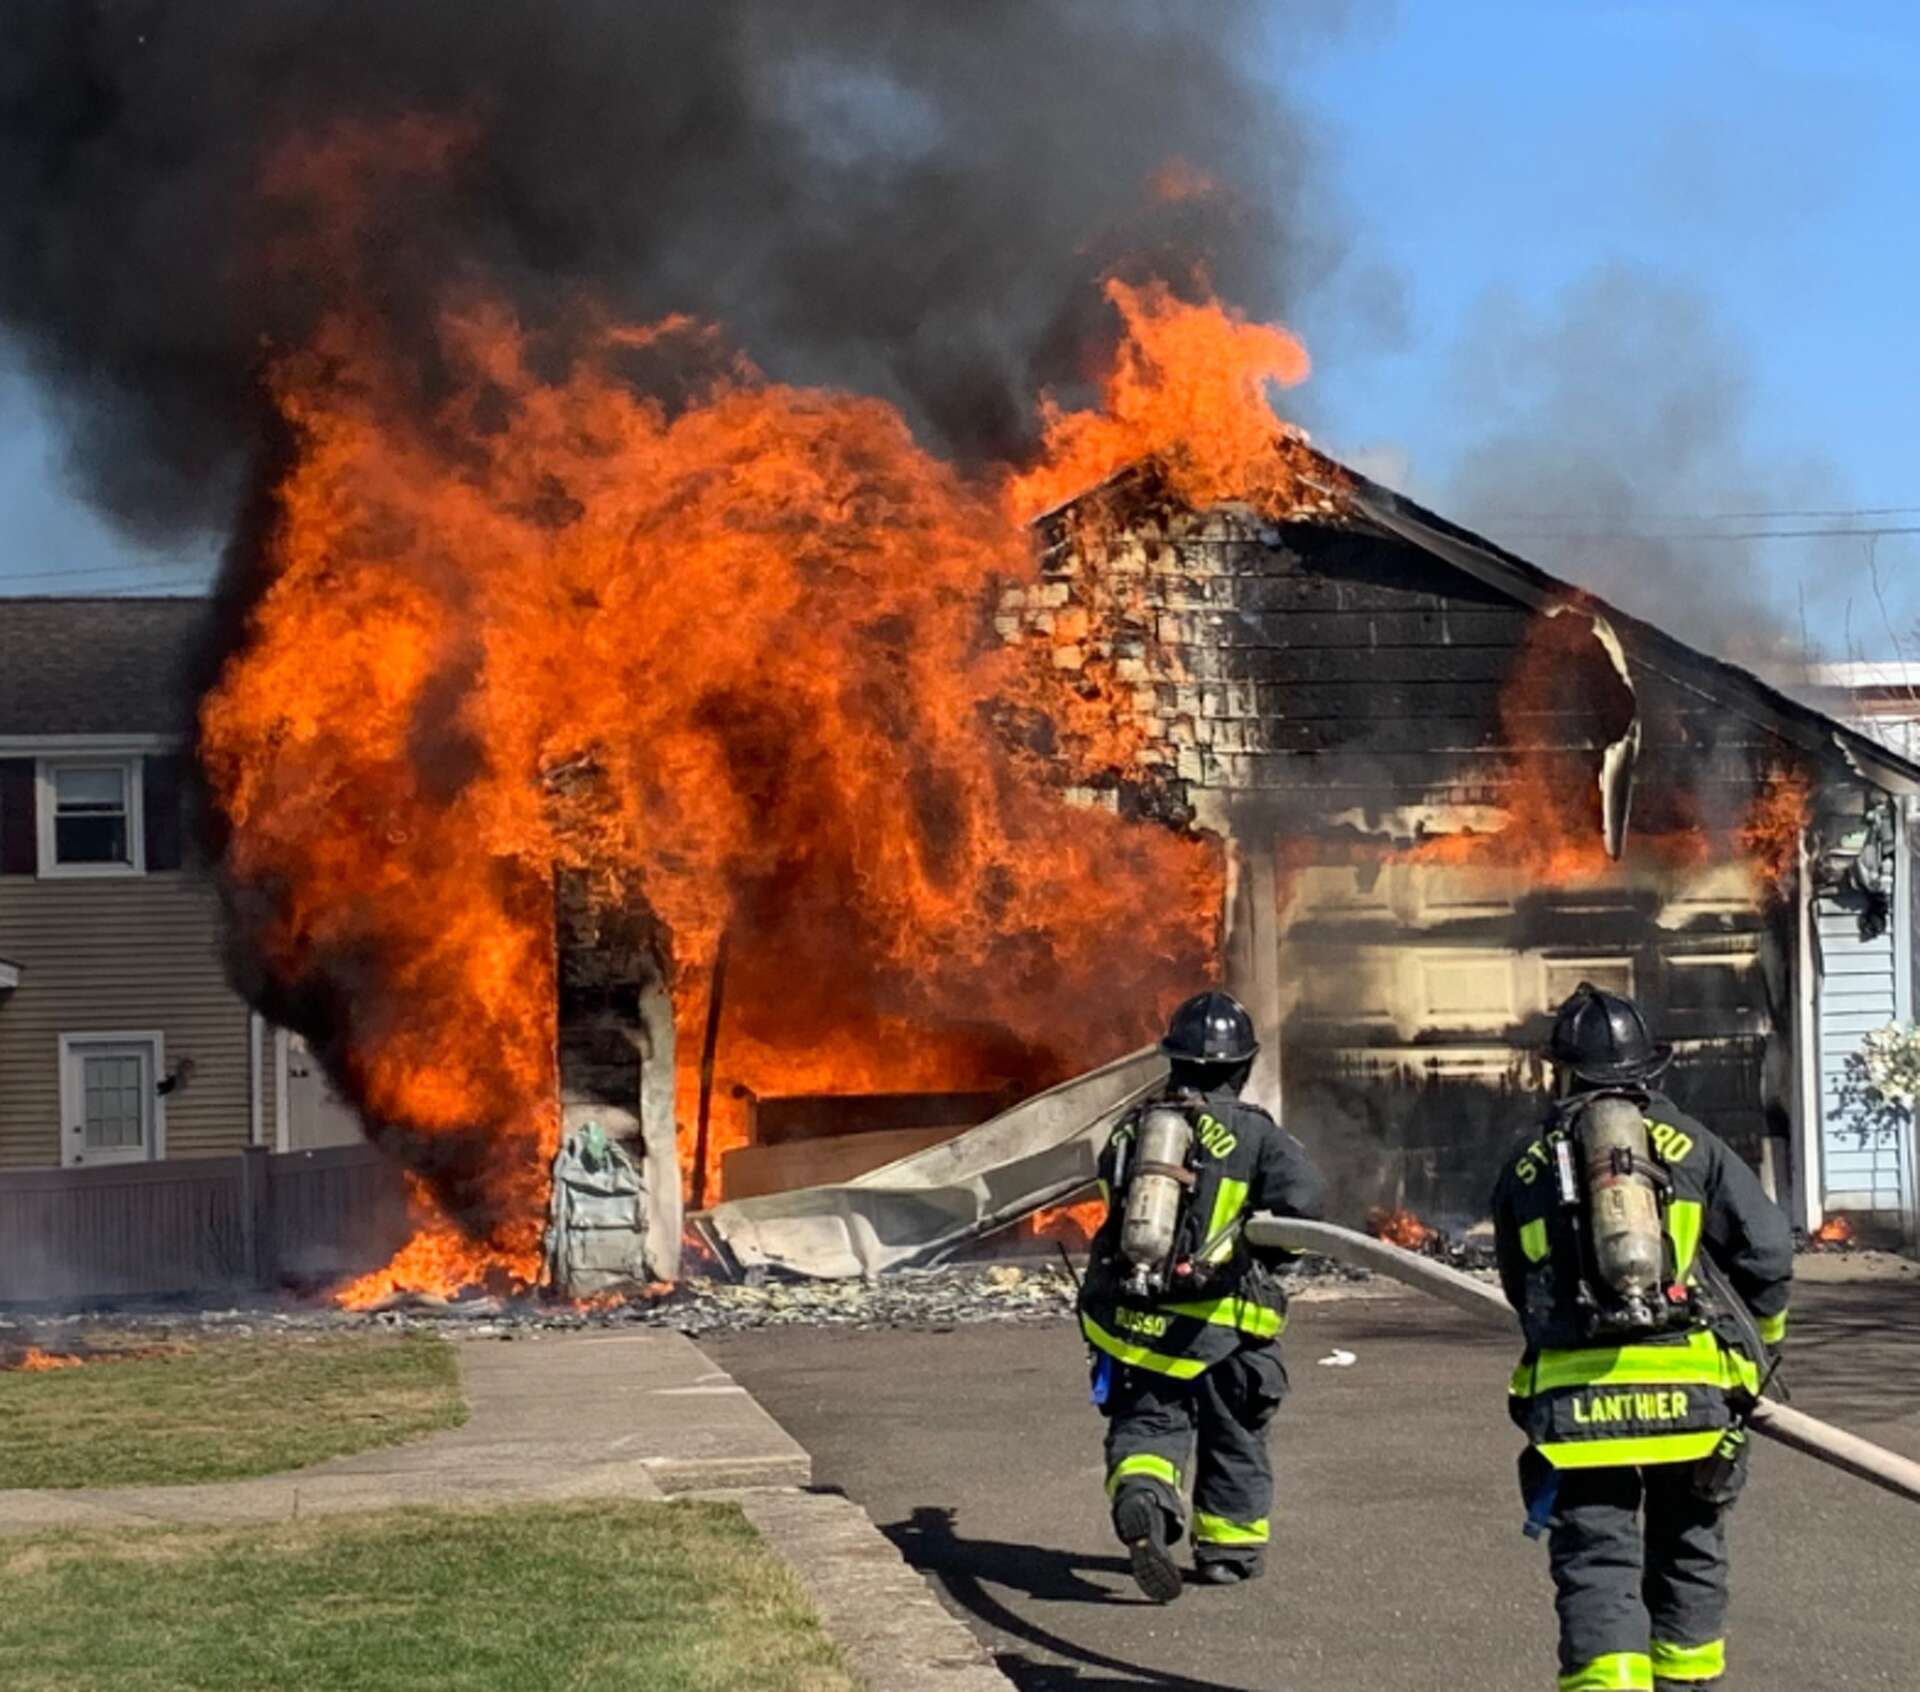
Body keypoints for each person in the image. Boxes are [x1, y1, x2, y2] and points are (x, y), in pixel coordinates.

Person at [1492, 984, 1793, 1692]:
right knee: (1689, 1549)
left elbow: (1518, 1282)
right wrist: (1760, 1351)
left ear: (1560, 1070)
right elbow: (1769, 1253)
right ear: (1648, 1070)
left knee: (1596, 1560)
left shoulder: (1529, 1160)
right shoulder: (1696, 1145)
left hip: (1577, 1407)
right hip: (1691, 1399)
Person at [1077, 988, 1326, 1602]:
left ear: (1174, 1060)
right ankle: (1227, 1552)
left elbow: (1111, 1213)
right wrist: (1261, 1253)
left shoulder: (1130, 1130)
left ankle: (1145, 1502)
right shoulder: (1257, 1136)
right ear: (1243, 1066)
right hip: (1222, 1328)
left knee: (1146, 1428)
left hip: (1135, 1322)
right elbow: (1305, 1209)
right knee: (1234, 1436)